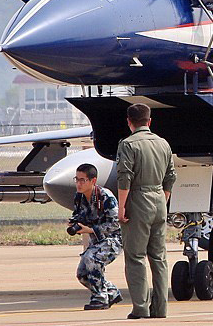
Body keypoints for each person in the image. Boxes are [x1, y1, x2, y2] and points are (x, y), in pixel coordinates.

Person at [117, 103, 176, 319]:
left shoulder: (128, 144)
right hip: (159, 198)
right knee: (159, 258)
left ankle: (140, 307)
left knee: (135, 257)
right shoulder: (163, 144)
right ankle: (161, 309)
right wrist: (163, 198)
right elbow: (171, 176)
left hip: (138, 199)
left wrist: (122, 206)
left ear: (129, 122)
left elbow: (125, 177)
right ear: (149, 121)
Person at [71, 163, 123, 310]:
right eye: (77, 179)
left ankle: (100, 297)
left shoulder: (105, 197)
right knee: (82, 274)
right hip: (97, 241)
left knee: (91, 259)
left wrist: (91, 229)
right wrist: (75, 224)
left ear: (93, 181)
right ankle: (111, 292)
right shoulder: (79, 197)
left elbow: (115, 224)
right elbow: (78, 215)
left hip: (114, 240)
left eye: (83, 180)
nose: (79, 184)